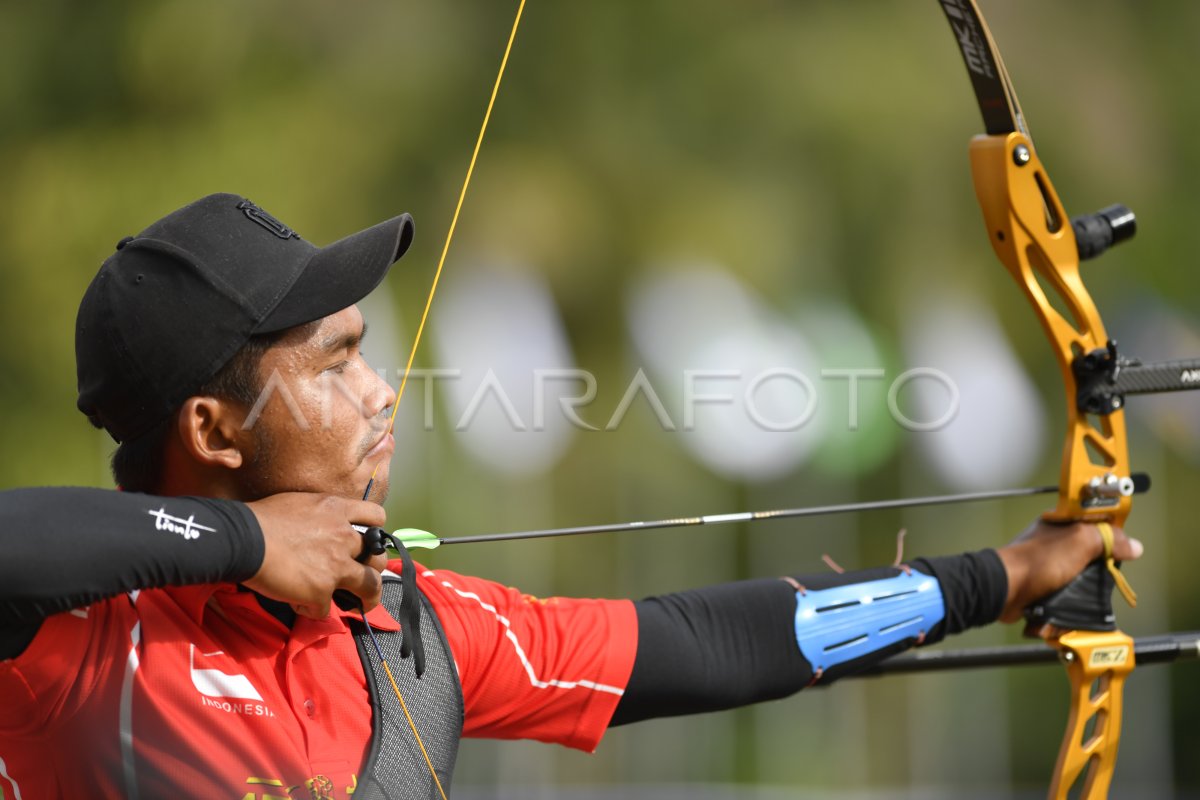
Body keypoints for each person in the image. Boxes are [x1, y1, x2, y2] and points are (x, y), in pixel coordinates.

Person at [0, 194, 1141, 799]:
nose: (382, 390)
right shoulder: (76, 640)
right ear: (213, 430)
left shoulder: (415, 632)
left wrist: (1000, 576)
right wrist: (248, 539)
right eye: (334, 361)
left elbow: (710, 640)